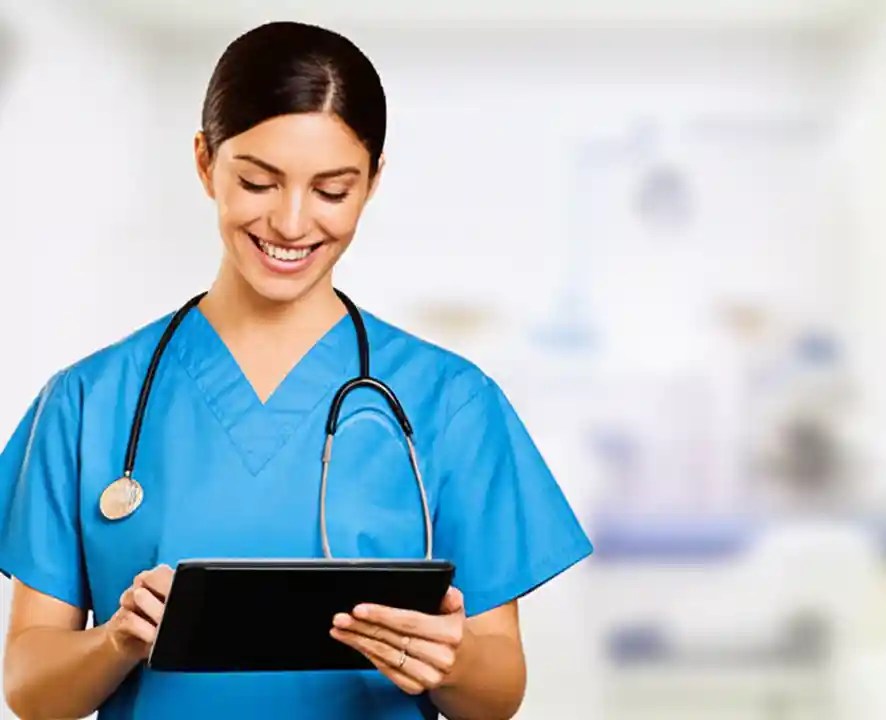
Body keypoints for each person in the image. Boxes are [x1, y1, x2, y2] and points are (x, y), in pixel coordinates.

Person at [0, 20, 592, 720]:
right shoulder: (87, 402)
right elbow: (30, 689)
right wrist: (117, 641)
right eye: (257, 181)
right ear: (203, 162)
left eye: (332, 191)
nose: (289, 221)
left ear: (372, 183)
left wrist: (450, 660)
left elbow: (498, 692)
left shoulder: (452, 403)